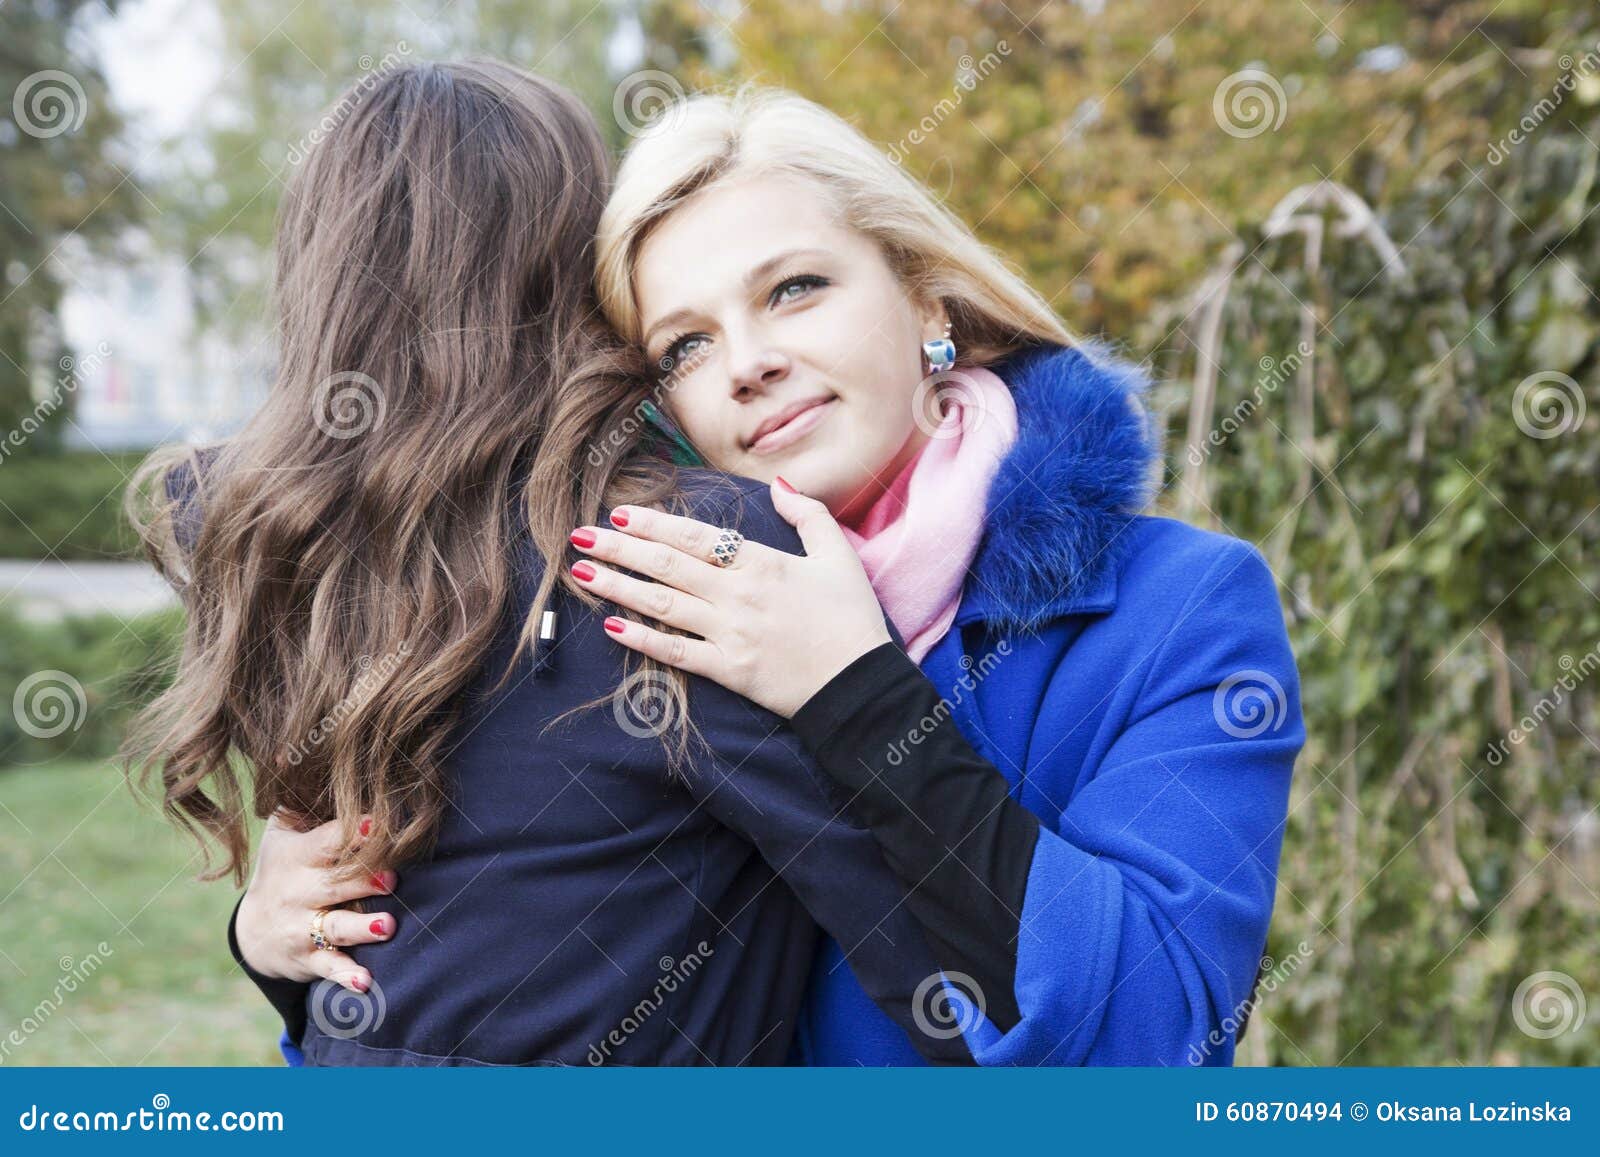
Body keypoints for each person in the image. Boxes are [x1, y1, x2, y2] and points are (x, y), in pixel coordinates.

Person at [226, 85, 1305, 1066]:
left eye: (794, 288)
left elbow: (1156, 1040)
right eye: (684, 346)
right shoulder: (639, 607)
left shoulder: (1179, 609)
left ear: (927, 299)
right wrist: (290, 942)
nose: (748, 363)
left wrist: (857, 694)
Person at [127, 62, 974, 1067]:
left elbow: (387, 961)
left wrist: (264, 940)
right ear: (575, 274)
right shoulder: (677, 548)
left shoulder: (291, 545)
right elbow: (941, 959)